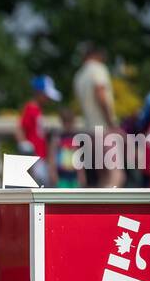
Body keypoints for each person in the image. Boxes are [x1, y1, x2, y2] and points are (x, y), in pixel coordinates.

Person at [74, 44, 123, 187]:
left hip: (89, 131)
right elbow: (100, 94)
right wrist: (111, 123)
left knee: (103, 176)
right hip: (103, 129)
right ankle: (111, 201)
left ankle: (101, 201)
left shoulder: (79, 76)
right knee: (116, 175)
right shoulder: (98, 69)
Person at [17, 75, 60, 185]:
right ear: (39, 93)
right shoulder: (30, 108)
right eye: (46, 95)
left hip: (41, 158)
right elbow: (20, 129)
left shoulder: (38, 110)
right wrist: (24, 145)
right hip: (34, 158)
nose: (47, 99)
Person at [53, 107, 86, 188]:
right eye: (66, 121)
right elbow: (52, 157)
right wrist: (53, 174)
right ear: (62, 122)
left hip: (74, 176)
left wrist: (81, 174)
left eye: (70, 122)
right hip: (62, 176)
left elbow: (79, 158)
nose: (68, 124)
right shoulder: (57, 138)